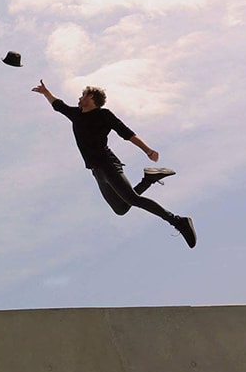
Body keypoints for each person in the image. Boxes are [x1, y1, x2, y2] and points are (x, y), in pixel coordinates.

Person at [32, 79, 197, 248]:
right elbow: (58, 105)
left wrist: (148, 150)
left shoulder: (104, 115)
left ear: (90, 97)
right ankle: (148, 179)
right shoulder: (76, 115)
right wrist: (46, 93)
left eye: (82, 95)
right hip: (97, 171)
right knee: (121, 209)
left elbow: (126, 133)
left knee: (132, 199)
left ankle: (178, 221)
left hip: (107, 164)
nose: (79, 98)